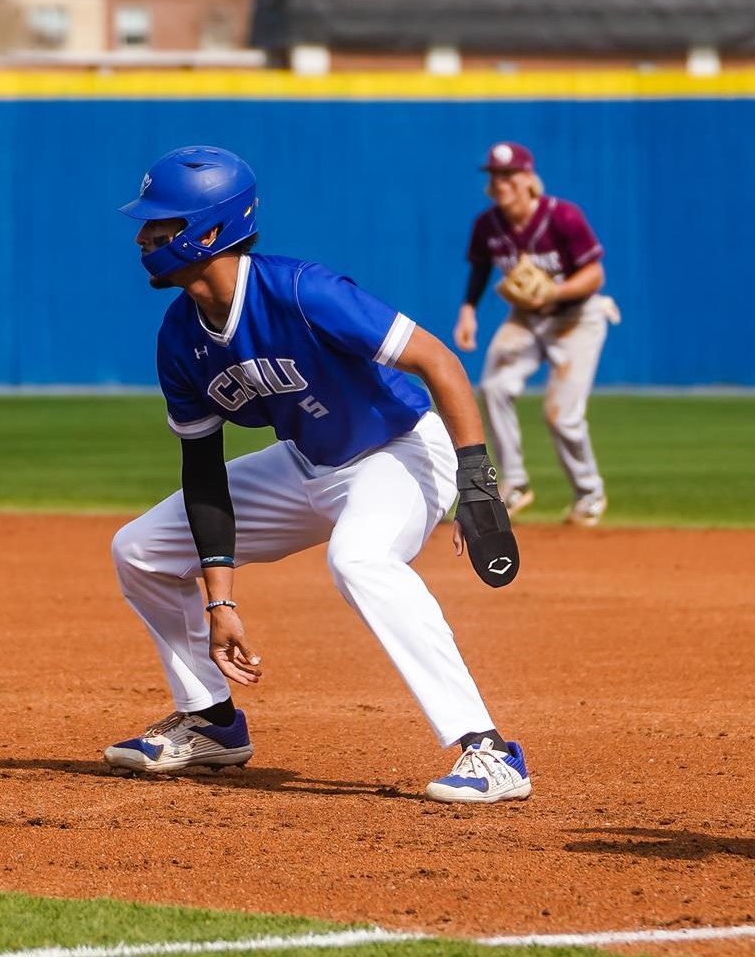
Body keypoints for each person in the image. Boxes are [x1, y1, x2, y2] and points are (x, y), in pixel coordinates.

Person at [105, 146, 532, 804]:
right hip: (309, 462)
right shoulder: (179, 339)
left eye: (159, 225)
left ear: (209, 231)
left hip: (403, 450)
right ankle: (212, 722)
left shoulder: (302, 291)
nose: (142, 239)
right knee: (139, 548)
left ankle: (489, 749)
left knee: (359, 559)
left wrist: (477, 482)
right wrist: (221, 600)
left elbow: (439, 361)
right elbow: (203, 471)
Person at [454, 141, 618, 526]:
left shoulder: (563, 216)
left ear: (528, 178)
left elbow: (595, 274)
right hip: (526, 317)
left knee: (562, 416)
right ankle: (514, 483)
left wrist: (555, 292)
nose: (501, 182)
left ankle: (589, 494)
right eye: (495, 174)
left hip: (577, 318)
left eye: (509, 174)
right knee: (494, 387)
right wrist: (468, 310)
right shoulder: (487, 225)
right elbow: (480, 268)